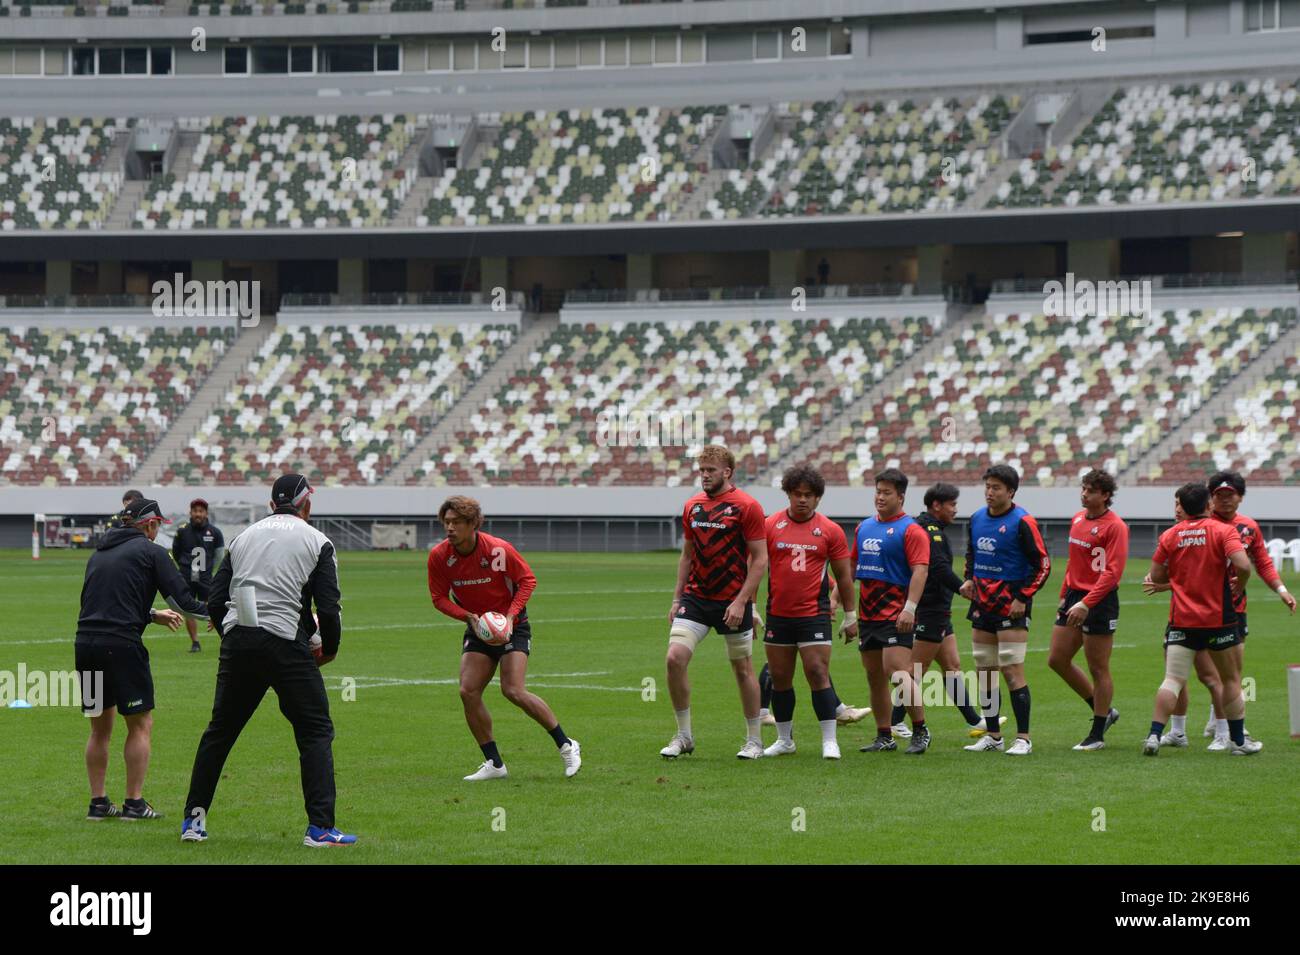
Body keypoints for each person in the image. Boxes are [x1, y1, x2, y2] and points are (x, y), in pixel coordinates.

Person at [182, 474, 356, 846]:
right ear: (306, 504)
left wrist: (233, 637)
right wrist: (331, 649)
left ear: (272, 505)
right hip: (283, 642)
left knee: (220, 732)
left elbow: (215, 598)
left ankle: (193, 821)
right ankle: (320, 827)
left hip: (240, 637)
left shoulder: (244, 536)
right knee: (315, 731)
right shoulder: (317, 540)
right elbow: (327, 606)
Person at [428, 495, 581, 781]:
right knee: (467, 691)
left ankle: (566, 745)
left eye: (457, 522)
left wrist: (510, 616)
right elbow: (438, 598)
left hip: (513, 626)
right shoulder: (439, 556)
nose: (450, 528)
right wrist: (468, 617)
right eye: (446, 522)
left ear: (473, 523)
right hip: (478, 628)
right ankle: (495, 764)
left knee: (513, 690)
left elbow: (527, 580)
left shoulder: (498, 549)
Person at [75, 497, 208, 822]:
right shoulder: (152, 553)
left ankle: (98, 803)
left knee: (99, 729)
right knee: (140, 723)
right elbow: (183, 601)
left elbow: (100, 603)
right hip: (120, 647)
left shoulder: (100, 552)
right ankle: (134, 803)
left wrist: (149, 615)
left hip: (85, 644)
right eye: (157, 526)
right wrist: (217, 614)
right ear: (150, 525)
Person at [1165, 471, 1295, 750]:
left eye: (1230, 495)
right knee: (1207, 674)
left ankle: (1224, 726)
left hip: (1234, 610)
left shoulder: (1248, 527)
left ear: (1240, 497)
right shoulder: (1198, 526)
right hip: (1198, 611)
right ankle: (1223, 727)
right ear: (1210, 498)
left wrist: (1282, 591)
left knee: (1233, 671)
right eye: (1219, 495)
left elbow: (1262, 562)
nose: (1225, 500)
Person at [661, 445, 768, 759]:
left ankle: (754, 741)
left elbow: (760, 560)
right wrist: (677, 597)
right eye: (702, 470)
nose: (705, 475)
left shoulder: (747, 507)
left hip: (732, 602)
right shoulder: (692, 506)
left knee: (742, 669)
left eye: (711, 470)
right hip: (696, 599)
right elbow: (687, 555)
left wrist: (742, 602)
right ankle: (684, 736)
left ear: (728, 472)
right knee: (673, 659)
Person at [1141, 483, 1259, 756]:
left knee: (1172, 679)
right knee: (1230, 679)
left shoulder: (1170, 535)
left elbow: (1156, 576)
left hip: (1182, 620)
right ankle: (1239, 742)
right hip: (1219, 620)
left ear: (1182, 504)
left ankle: (1154, 736)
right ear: (1208, 505)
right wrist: (1239, 585)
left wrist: (1175, 579)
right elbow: (1243, 565)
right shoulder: (1224, 531)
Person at [761, 465, 858, 759]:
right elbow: (756, 567)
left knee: (817, 672)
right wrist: (750, 607)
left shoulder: (830, 530)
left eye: (809, 495)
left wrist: (851, 616)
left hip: (814, 613)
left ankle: (829, 740)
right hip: (778, 613)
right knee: (780, 677)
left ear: (818, 498)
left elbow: (843, 576)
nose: (802, 500)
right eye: (797, 494)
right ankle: (784, 740)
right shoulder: (770, 525)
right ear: (788, 494)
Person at [960, 464, 1051, 756]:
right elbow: (972, 554)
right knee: (984, 670)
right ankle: (994, 736)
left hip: (1011, 604)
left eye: (996, 487)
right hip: (982, 604)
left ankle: (1023, 738)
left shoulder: (1023, 521)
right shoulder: (975, 519)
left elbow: (1043, 564)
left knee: (1011, 669)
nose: (990, 492)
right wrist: (968, 580)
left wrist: (1022, 597)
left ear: (1010, 492)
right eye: (987, 486)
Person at [886, 483, 989, 737]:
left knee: (952, 666)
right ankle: (895, 721)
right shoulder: (929, 531)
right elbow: (938, 568)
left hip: (939, 609)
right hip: (930, 609)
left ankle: (975, 721)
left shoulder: (930, 527)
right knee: (914, 671)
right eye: (952, 505)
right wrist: (962, 588)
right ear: (936, 505)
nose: (955, 510)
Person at [851, 468, 932, 754]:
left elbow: (920, 571)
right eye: (878, 491)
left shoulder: (911, 530)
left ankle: (921, 729)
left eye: (887, 493)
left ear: (901, 496)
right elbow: (851, 568)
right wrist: (841, 604)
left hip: (897, 613)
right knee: (874, 676)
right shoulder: (863, 528)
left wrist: (909, 608)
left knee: (898, 672)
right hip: (868, 614)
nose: (880, 497)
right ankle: (884, 735)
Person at [1047, 469, 1127, 751]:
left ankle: (1097, 734)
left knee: (1098, 667)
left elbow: (1112, 573)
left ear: (1105, 495)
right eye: (1083, 488)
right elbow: (1073, 562)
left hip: (1100, 601)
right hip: (1073, 596)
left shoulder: (1115, 526)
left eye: (1090, 490)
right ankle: (1104, 711)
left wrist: (1087, 603)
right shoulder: (1078, 519)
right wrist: (1064, 596)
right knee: (1057, 659)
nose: (1084, 494)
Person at [171, 497, 225, 654]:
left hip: (206, 577)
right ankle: (195, 642)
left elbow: (219, 556)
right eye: (195, 511)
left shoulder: (215, 532)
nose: (198, 514)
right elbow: (176, 552)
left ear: (206, 513)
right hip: (186, 576)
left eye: (201, 511)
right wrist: (185, 566)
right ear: (190, 512)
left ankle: (223, 639)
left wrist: (208, 569)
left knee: (215, 607)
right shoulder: (182, 530)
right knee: (188, 608)